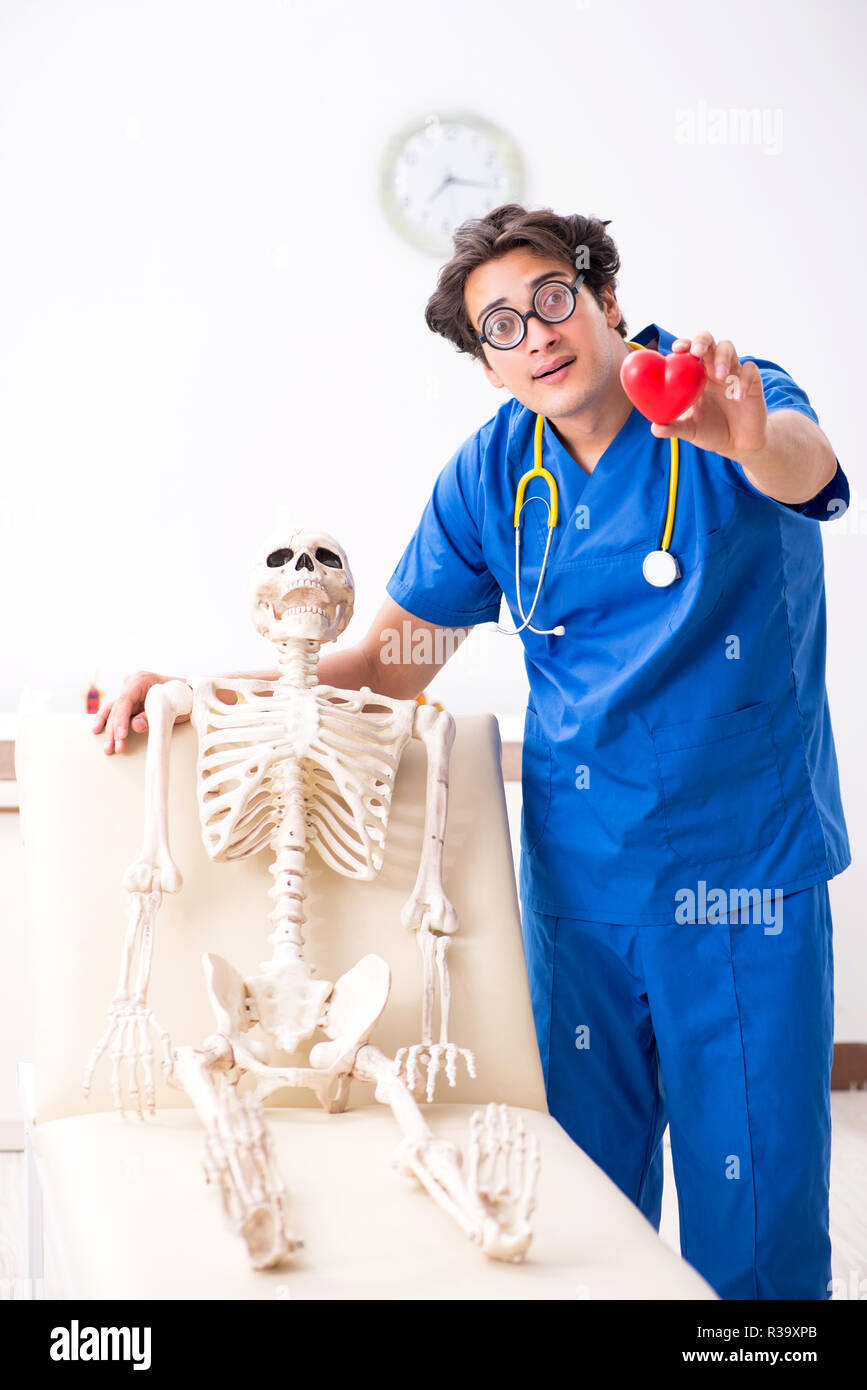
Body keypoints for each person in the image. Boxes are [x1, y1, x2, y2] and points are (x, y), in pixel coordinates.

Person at [94, 204, 850, 1301]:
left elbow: (810, 473)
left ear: (605, 303)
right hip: (581, 882)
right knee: (587, 1197)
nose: (536, 332)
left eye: (553, 299)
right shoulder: (495, 471)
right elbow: (383, 664)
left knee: (757, 1220)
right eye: (501, 326)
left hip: (743, 876)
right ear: (490, 365)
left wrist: (744, 437)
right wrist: (195, 688)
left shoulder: (724, 392)